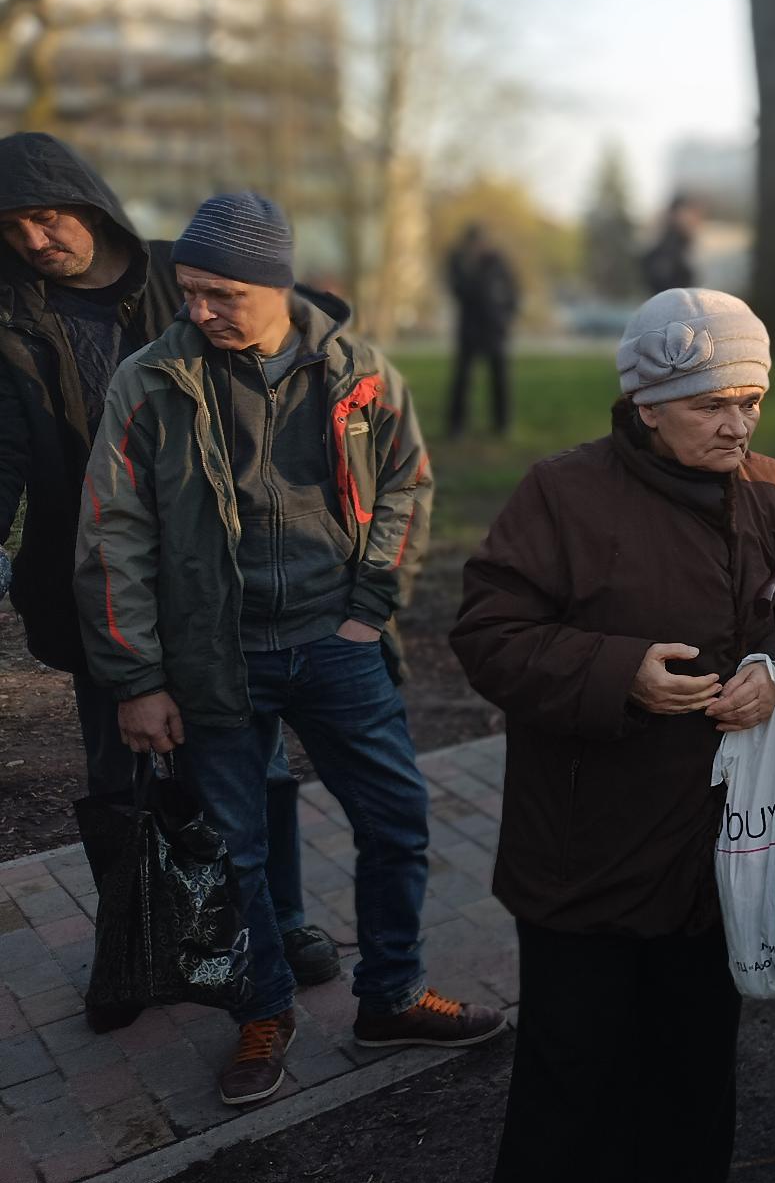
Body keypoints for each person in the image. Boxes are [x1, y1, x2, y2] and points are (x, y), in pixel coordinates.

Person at [75, 192, 503, 1106]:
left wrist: (370, 607)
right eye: (189, 291)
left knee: (396, 822)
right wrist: (139, 678)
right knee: (237, 850)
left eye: (222, 293)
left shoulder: (360, 371)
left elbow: (405, 486)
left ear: (278, 284)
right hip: (213, 660)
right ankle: (263, 1013)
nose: (199, 310)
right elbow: (113, 535)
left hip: (337, 645)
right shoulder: (150, 381)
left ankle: (390, 996)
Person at [453, 288, 775, 1183]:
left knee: (694, 1081)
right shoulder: (561, 494)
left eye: (751, 400)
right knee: (571, 1089)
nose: (738, 425)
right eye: (713, 404)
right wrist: (618, 673)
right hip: (583, 858)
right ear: (647, 405)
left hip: (721, 861)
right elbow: (488, 636)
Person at [0, 137, 334, 1032]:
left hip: (225, 574)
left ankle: (286, 926)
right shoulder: (8, 320)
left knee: (255, 764)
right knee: (126, 776)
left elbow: (296, 337)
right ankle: (137, 949)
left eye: (48, 215)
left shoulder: (178, 273)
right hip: (99, 580)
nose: (35, 239)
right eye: (14, 228)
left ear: (89, 202)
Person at [445, 223, 519, 439]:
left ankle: (502, 424)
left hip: (494, 327)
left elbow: (513, 290)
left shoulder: (497, 262)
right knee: (462, 379)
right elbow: (461, 291)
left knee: (500, 378)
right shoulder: (459, 263)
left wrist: (506, 316)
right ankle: (456, 425)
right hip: (470, 328)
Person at [640, 195, 702, 294]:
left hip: (679, 291)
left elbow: (688, 270)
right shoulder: (665, 235)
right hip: (662, 290)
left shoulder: (684, 239)